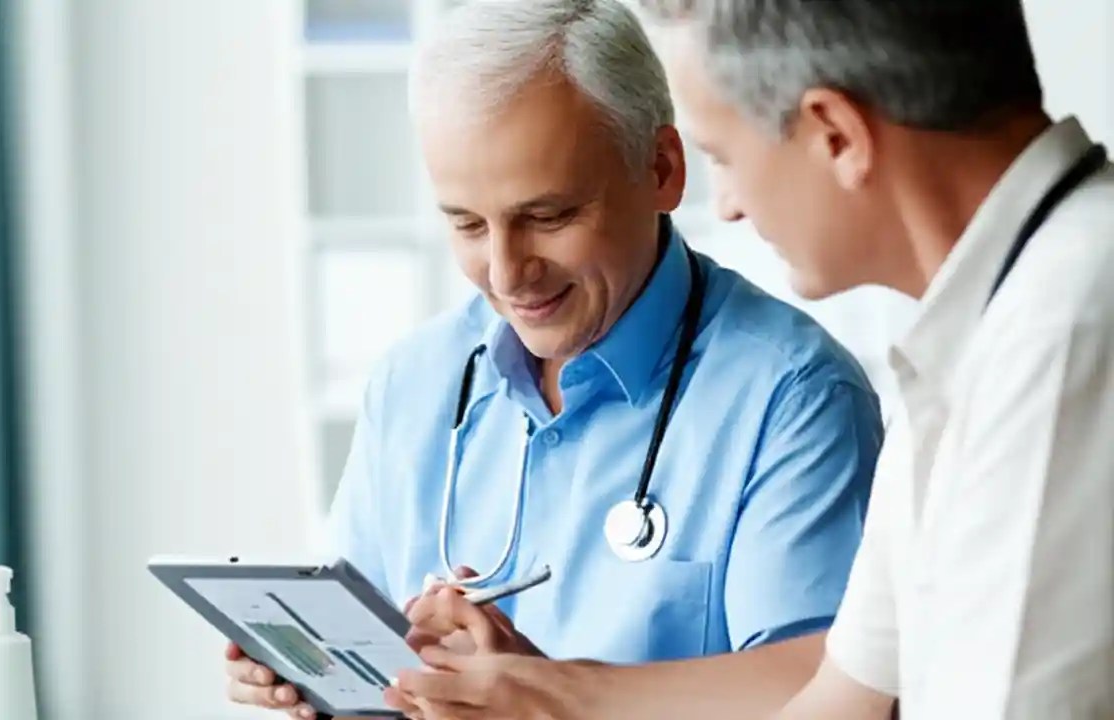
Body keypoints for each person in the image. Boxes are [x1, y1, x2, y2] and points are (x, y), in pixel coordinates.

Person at [394, 0, 1114, 717]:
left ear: (836, 135)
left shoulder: (1066, 322)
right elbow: (844, 700)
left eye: (722, 157)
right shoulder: (977, 333)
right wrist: (543, 694)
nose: (729, 204)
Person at [227, 1, 884, 717]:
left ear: (662, 169)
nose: (508, 274)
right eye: (468, 225)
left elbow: (831, 701)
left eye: (547, 217)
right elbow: (373, 668)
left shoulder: (793, 398)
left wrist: (552, 698)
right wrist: (316, 685)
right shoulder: (411, 384)